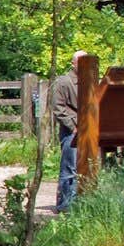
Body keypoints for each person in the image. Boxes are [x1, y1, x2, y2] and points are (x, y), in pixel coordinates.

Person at [50, 60, 80, 212]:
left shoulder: (91, 81)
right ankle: (65, 205)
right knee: (69, 168)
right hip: (71, 132)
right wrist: (72, 126)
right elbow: (58, 107)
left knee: (85, 167)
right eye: (80, 62)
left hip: (89, 131)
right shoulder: (63, 82)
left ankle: (81, 203)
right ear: (73, 63)